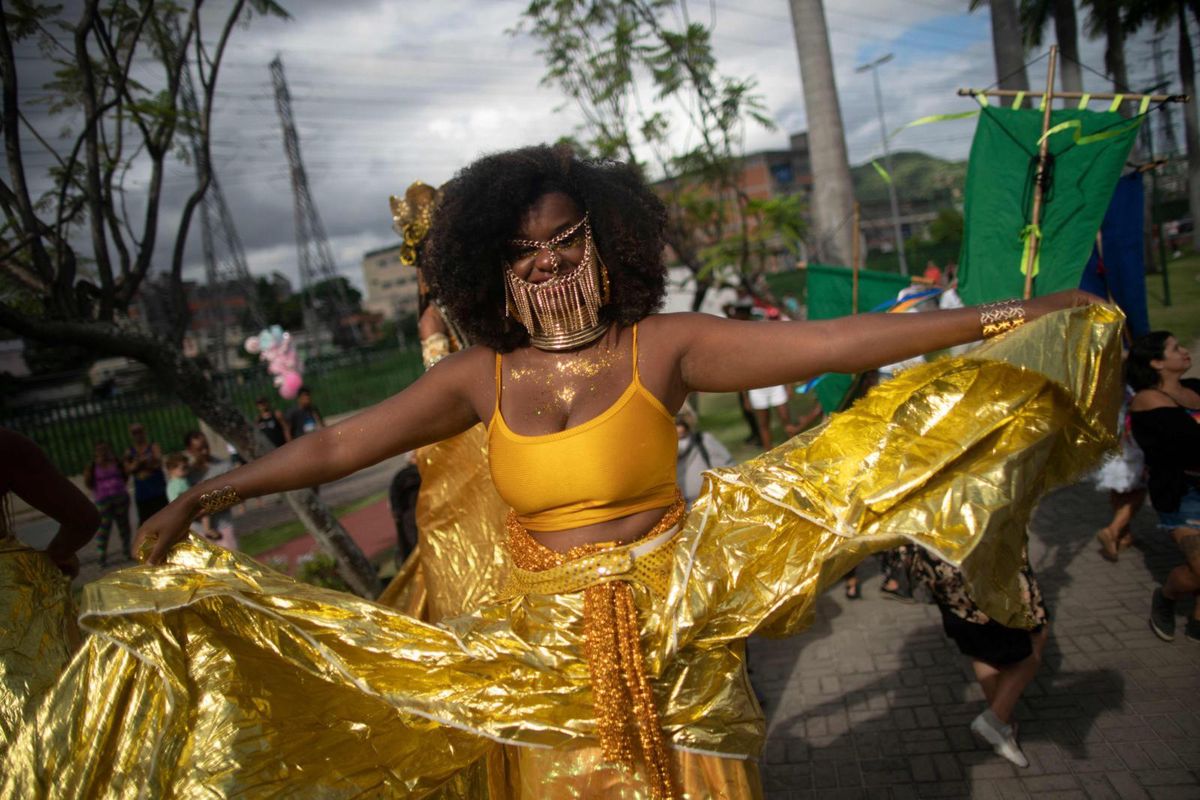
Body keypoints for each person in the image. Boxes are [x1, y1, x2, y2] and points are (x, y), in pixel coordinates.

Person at [5, 145, 1116, 799]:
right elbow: (345, 440)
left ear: (605, 238)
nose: (548, 268)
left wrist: (1017, 310)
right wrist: (209, 492)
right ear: (494, 264)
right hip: (538, 668)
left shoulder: (665, 346)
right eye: (525, 254)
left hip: (674, 643)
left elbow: (844, 343)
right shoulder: (482, 378)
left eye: (567, 243)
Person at [0, 429, 99, 757]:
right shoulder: (6, 445)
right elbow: (82, 518)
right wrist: (58, 553)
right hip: (13, 614)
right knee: (47, 743)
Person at [911, 548, 1048, 768]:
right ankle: (995, 719)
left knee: (981, 647)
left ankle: (1003, 726)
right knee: (1036, 637)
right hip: (988, 564)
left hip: (943, 571)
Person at [1128, 332, 1200, 643]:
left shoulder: (1195, 389)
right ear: (1156, 362)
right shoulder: (1147, 401)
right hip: (1184, 496)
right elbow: (1190, 446)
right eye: (1175, 348)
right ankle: (1167, 596)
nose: (1184, 351)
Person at [1093, 383, 1147, 561]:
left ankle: (1124, 534)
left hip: (1113, 435)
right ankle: (1113, 530)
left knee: (1120, 486)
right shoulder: (1140, 391)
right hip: (1130, 440)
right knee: (1138, 489)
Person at [182, 431, 237, 551]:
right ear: (190, 450)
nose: (205, 451)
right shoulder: (187, 475)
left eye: (206, 446)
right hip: (198, 531)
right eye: (199, 449)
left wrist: (207, 508)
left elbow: (236, 495)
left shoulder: (223, 467)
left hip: (222, 527)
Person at [673, 403, 734, 506]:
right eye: (675, 423)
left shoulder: (703, 441)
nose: (679, 429)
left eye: (680, 422)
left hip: (711, 507)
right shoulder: (657, 455)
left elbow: (730, 474)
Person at [83, 440, 131, 567]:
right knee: (103, 530)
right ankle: (101, 555)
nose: (103, 452)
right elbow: (88, 482)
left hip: (120, 497)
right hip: (102, 501)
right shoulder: (92, 466)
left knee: (124, 526)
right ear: (95, 452)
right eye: (99, 450)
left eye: (105, 449)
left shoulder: (116, 462)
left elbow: (125, 475)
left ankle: (127, 551)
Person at [164, 452, 219, 542]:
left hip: (187, 507)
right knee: (204, 511)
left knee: (204, 511)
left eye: (187, 468)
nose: (186, 471)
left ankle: (207, 530)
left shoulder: (181, 481)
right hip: (184, 508)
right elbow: (176, 499)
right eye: (183, 468)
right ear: (171, 470)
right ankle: (207, 530)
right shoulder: (175, 484)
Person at [123, 422, 168, 526]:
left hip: (158, 490)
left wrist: (142, 463)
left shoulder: (153, 447)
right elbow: (127, 469)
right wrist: (139, 463)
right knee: (146, 522)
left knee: (164, 519)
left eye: (139, 431)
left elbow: (158, 463)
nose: (138, 434)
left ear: (144, 432)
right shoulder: (129, 451)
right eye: (134, 432)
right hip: (142, 493)